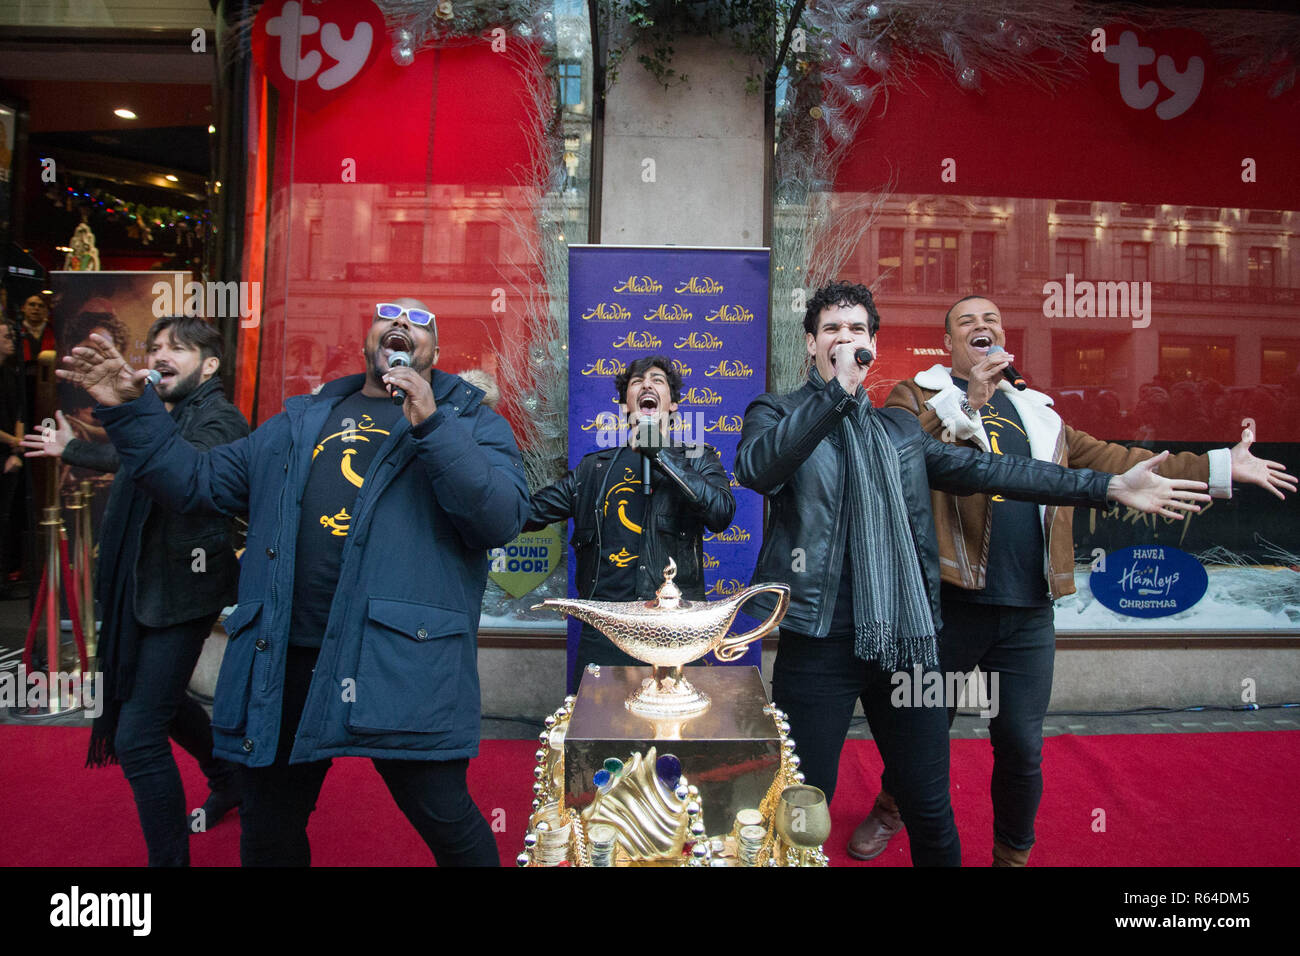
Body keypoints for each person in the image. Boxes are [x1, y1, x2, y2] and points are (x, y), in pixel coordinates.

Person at [734, 280, 1211, 866]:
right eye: (832, 329)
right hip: (819, 644)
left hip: (905, 645)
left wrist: (1107, 485)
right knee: (805, 806)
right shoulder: (777, 411)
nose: (844, 338)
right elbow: (760, 467)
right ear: (811, 344)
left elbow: (994, 472)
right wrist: (833, 393)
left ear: (873, 345)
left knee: (928, 805)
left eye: (856, 329)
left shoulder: (899, 430)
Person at [58, 297, 528, 866]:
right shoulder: (300, 421)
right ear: (368, 338)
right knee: (268, 827)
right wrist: (131, 409)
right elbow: (194, 481)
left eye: (420, 318)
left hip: (399, 659)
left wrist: (433, 425)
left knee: (447, 820)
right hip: (285, 656)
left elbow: (499, 518)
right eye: (387, 314)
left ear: (435, 351)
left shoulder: (472, 422)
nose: (401, 322)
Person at [844, 294, 1297, 866]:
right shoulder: (918, 396)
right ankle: (893, 806)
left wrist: (1221, 465)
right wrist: (971, 401)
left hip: (1029, 607)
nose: (982, 326)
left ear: (1004, 337)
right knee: (924, 730)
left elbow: (1118, 461)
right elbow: (920, 456)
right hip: (949, 605)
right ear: (950, 343)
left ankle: (1012, 857)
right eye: (967, 322)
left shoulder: (1041, 415)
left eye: (991, 320)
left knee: (1021, 745)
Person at [24, 315, 248, 865]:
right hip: (143, 588)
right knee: (165, 708)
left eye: (176, 348)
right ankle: (230, 777)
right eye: (155, 346)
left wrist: (130, 411)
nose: (159, 354)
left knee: (137, 738)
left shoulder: (221, 421)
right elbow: (134, 460)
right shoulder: (169, 413)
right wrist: (72, 449)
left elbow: (180, 473)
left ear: (210, 365)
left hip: (183, 595)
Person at [525, 355, 735, 686]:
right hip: (606, 631)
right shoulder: (594, 469)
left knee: (674, 732)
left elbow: (721, 512)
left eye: (657, 381)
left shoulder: (698, 457)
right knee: (597, 732)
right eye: (637, 382)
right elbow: (528, 513)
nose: (647, 385)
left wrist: (660, 452)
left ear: (673, 405)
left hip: (674, 632)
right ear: (625, 406)